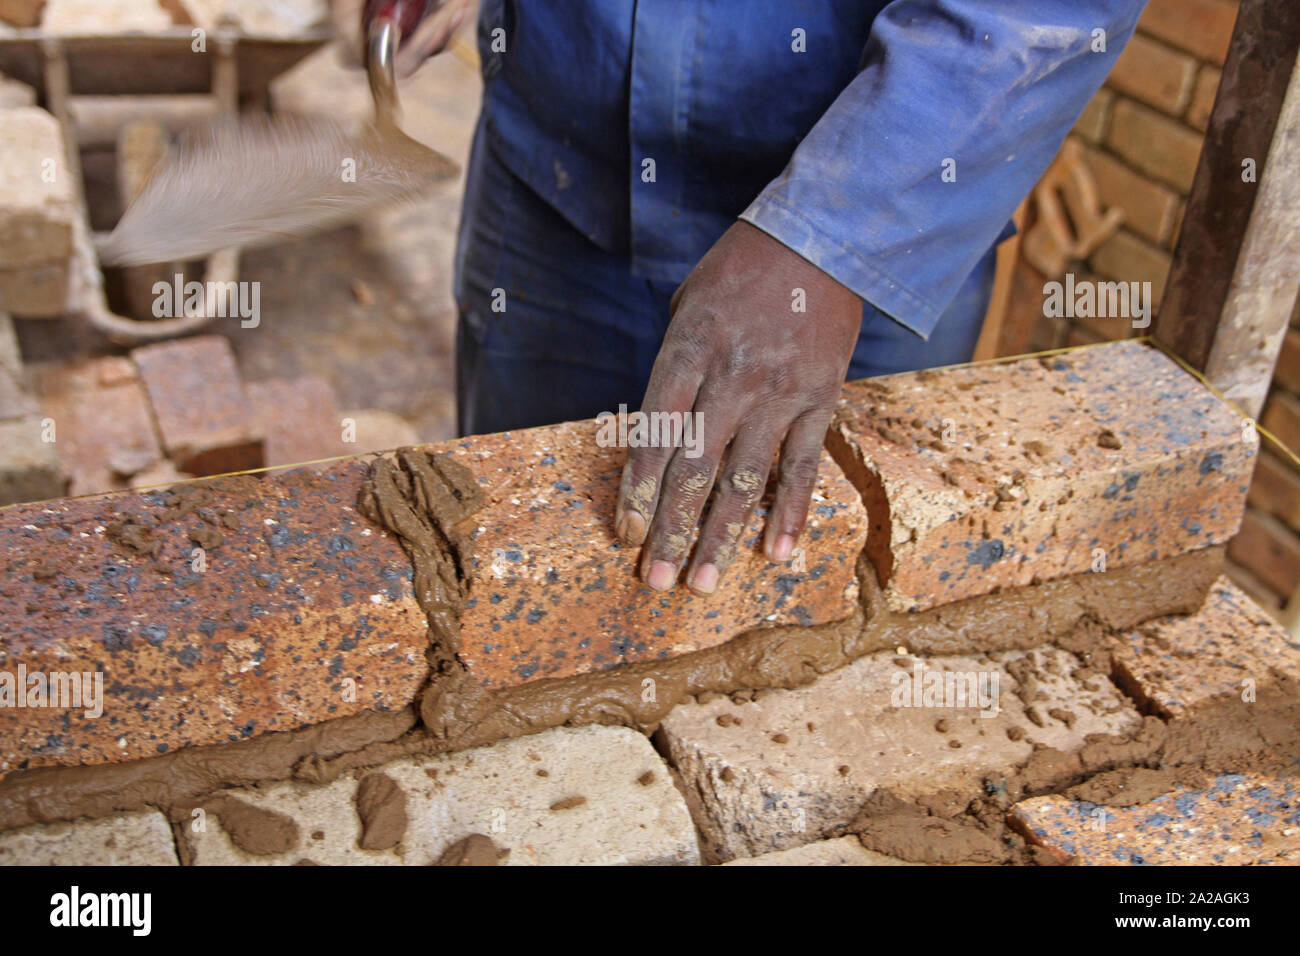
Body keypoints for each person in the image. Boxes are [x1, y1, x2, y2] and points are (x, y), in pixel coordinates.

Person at [369, 0, 1144, 596]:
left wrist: (832, 237)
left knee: (821, 599)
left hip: (867, 244)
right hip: (558, 174)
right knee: (511, 568)